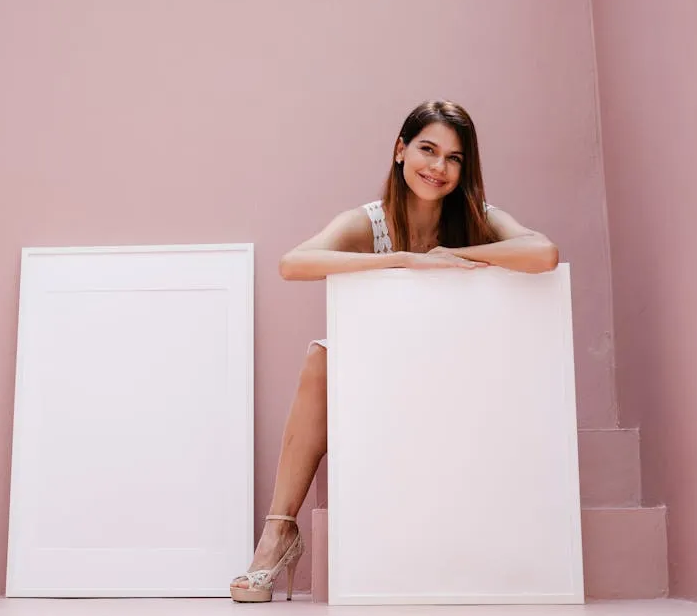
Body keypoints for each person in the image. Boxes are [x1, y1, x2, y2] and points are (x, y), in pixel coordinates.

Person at [228, 100, 560, 603]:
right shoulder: (371, 222)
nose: (438, 168)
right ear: (400, 150)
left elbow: (543, 253)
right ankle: (278, 534)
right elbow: (293, 264)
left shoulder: (476, 219)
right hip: (388, 374)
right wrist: (403, 261)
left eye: (454, 159)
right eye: (427, 149)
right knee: (321, 357)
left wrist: (453, 255)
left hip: (458, 374)